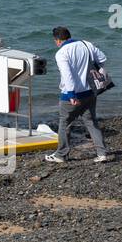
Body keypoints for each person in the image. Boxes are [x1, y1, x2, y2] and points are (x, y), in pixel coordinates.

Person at [45, 26, 109, 163]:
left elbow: (67, 75)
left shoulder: (61, 53)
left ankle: (61, 155)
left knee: (64, 124)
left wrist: (71, 95)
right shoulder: (86, 44)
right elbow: (103, 59)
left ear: (57, 40)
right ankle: (102, 153)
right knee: (92, 122)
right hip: (90, 91)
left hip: (71, 95)